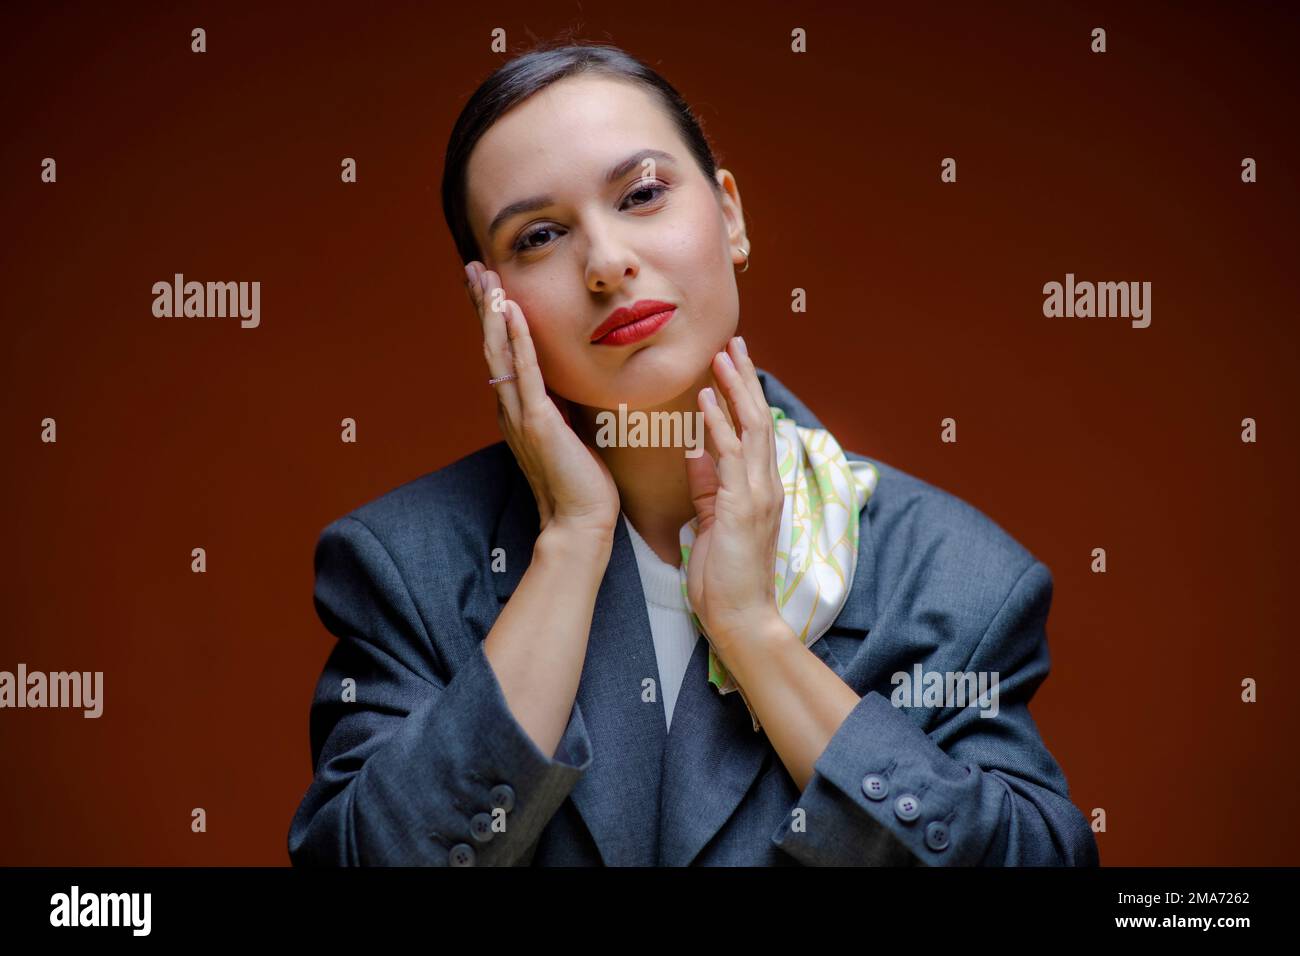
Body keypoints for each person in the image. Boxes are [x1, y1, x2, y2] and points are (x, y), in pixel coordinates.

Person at [286, 41, 1100, 867]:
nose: (606, 264)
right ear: (490, 303)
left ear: (731, 215)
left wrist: (752, 631)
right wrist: (569, 545)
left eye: (641, 194)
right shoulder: (405, 568)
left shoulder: (951, 577)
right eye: (537, 237)